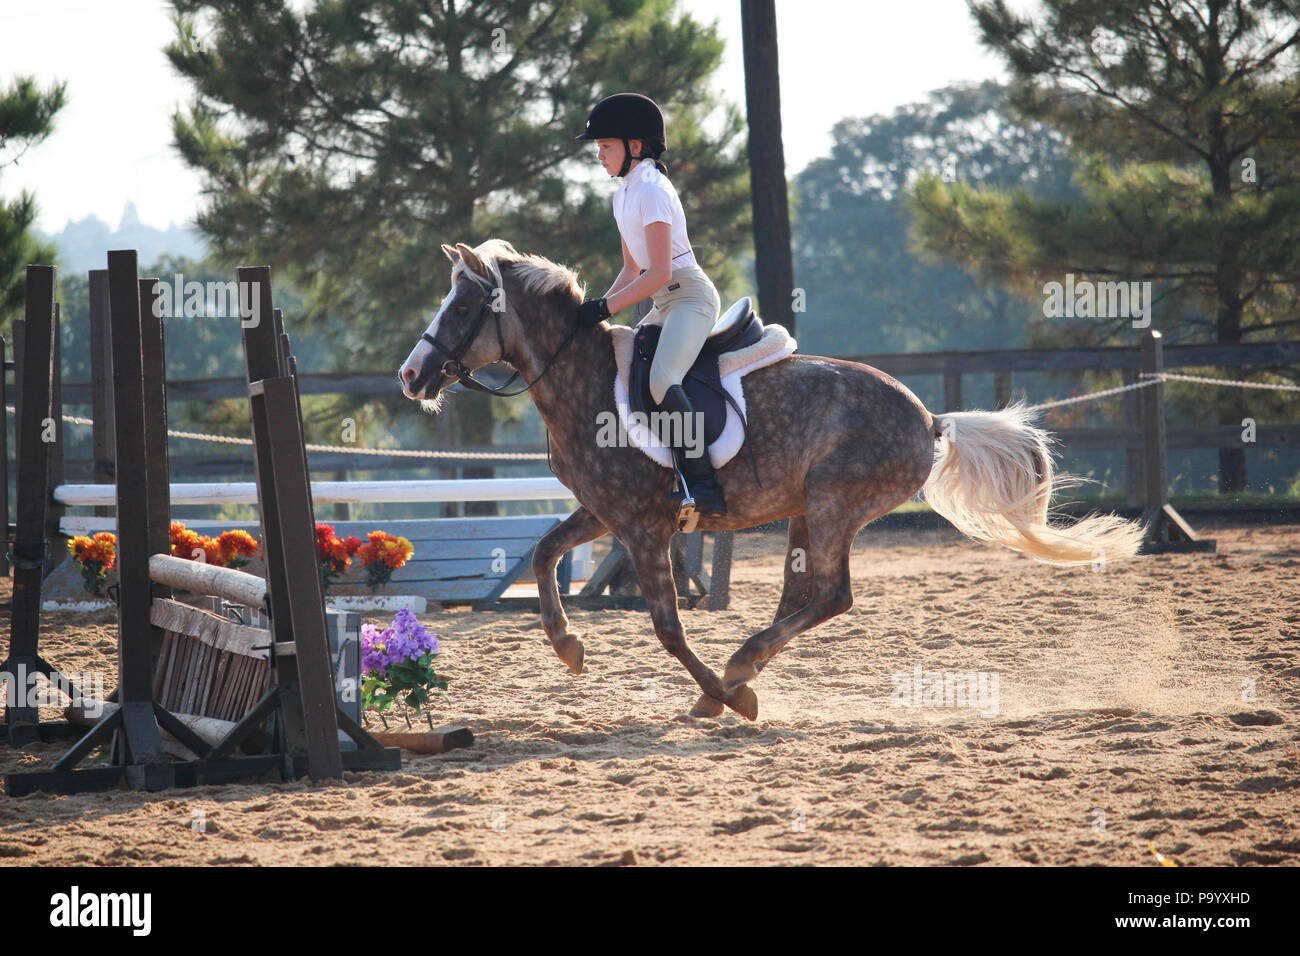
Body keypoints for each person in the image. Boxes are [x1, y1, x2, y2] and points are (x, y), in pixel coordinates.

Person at [573, 92, 727, 517]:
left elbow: (658, 272)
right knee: (625, 370)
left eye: (605, 146)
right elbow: (630, 269)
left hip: (690, 298)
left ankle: (704, 483)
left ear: (634, 147)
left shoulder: (654, 191)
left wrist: (606, 310)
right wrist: (597, 304)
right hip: (663, 301)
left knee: (661, 380)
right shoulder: (622, 195)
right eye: (599, 148)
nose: (599, 155)